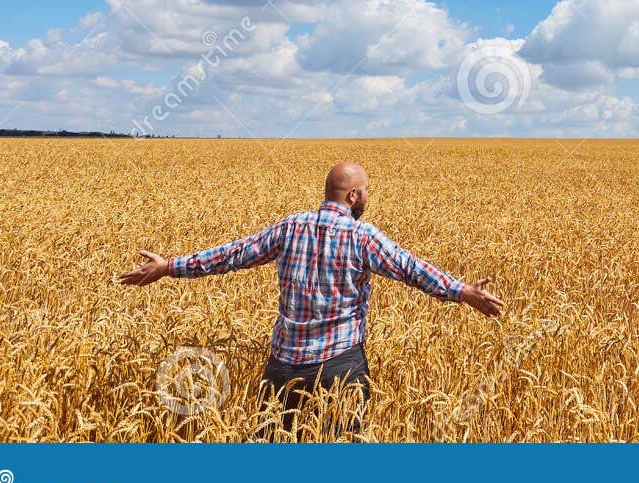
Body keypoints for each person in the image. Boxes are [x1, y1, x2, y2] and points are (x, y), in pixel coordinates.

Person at [116, 160, 503, 437]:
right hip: (339, 367)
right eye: (365, 191)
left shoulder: (290, 226)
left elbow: (231, 255)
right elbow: (410, 268)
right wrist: (463, 292)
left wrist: (169, 266)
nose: (367, 197)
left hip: (284, 367)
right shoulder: (361, 236)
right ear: (353, 195)